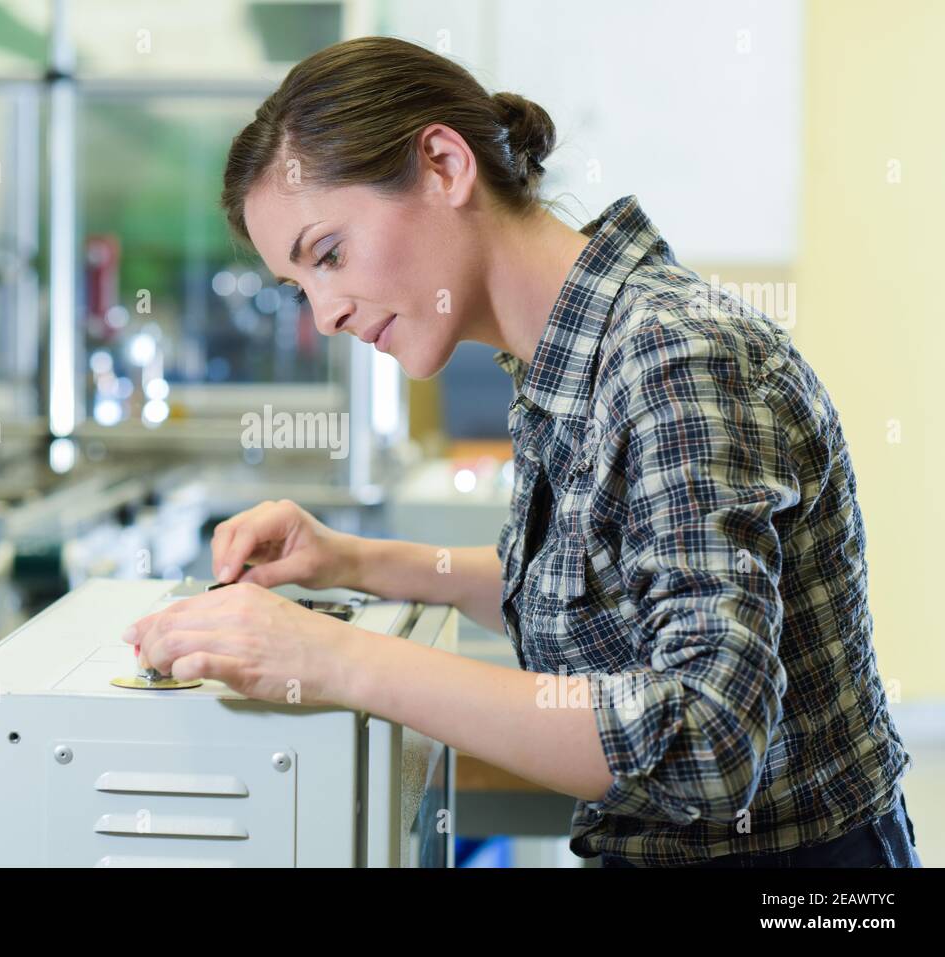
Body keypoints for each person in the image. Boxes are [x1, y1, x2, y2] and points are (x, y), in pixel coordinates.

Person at [122, 35, 920, 867]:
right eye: (302, 287)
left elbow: (707, 738)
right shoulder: (562, 355)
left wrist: (332, 658)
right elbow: (586, 586)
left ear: (442, 163)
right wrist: (348, 559)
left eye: (330, 255)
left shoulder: (671, 355)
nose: (325, 315)